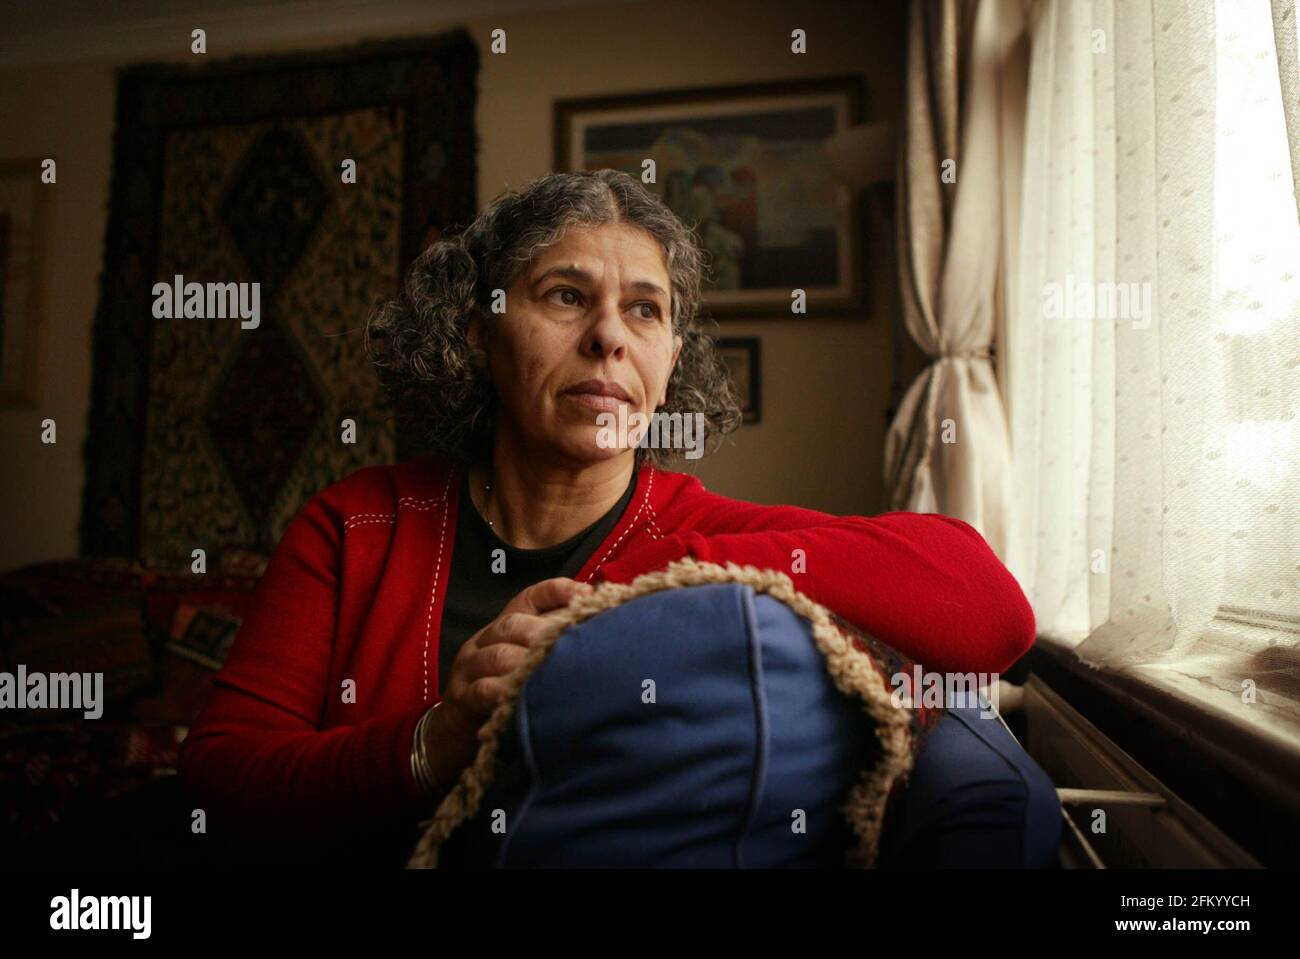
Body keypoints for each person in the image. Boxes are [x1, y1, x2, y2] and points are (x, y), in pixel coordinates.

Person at [176, 169, 1035, 865]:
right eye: (564, 295)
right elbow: (218, 782)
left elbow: (992, 606)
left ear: (669, 357)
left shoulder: (700, 535)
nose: (608, 338)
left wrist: (640, 580)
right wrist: (434, 739)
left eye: (645, 309)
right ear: (480, 330)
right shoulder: (357, 523)